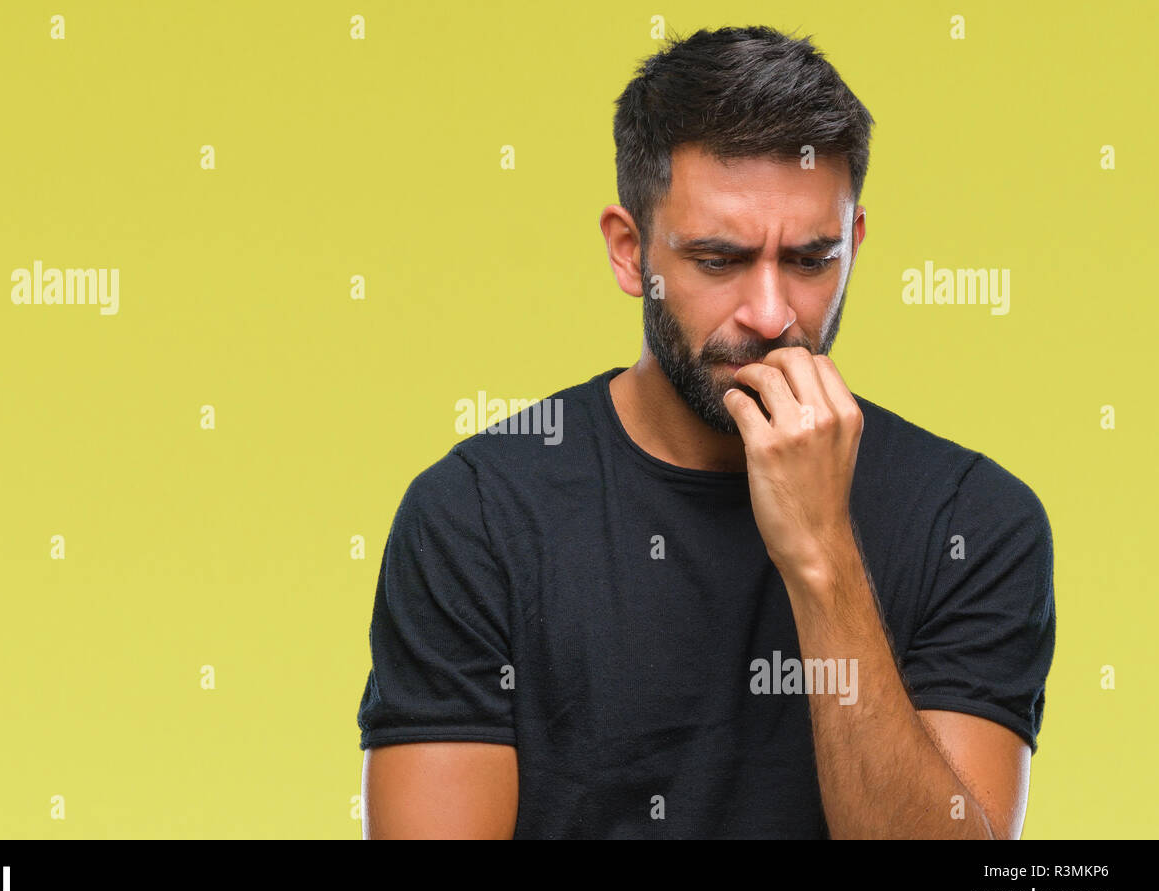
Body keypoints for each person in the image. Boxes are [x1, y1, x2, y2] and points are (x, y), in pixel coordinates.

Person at [357, 25, 1055, 839]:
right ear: (630, 253)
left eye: (809, 259)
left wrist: (822, 553)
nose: (770, 314)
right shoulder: (473, 516)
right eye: (719, 261)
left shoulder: (973, 522)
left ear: (854, 245)